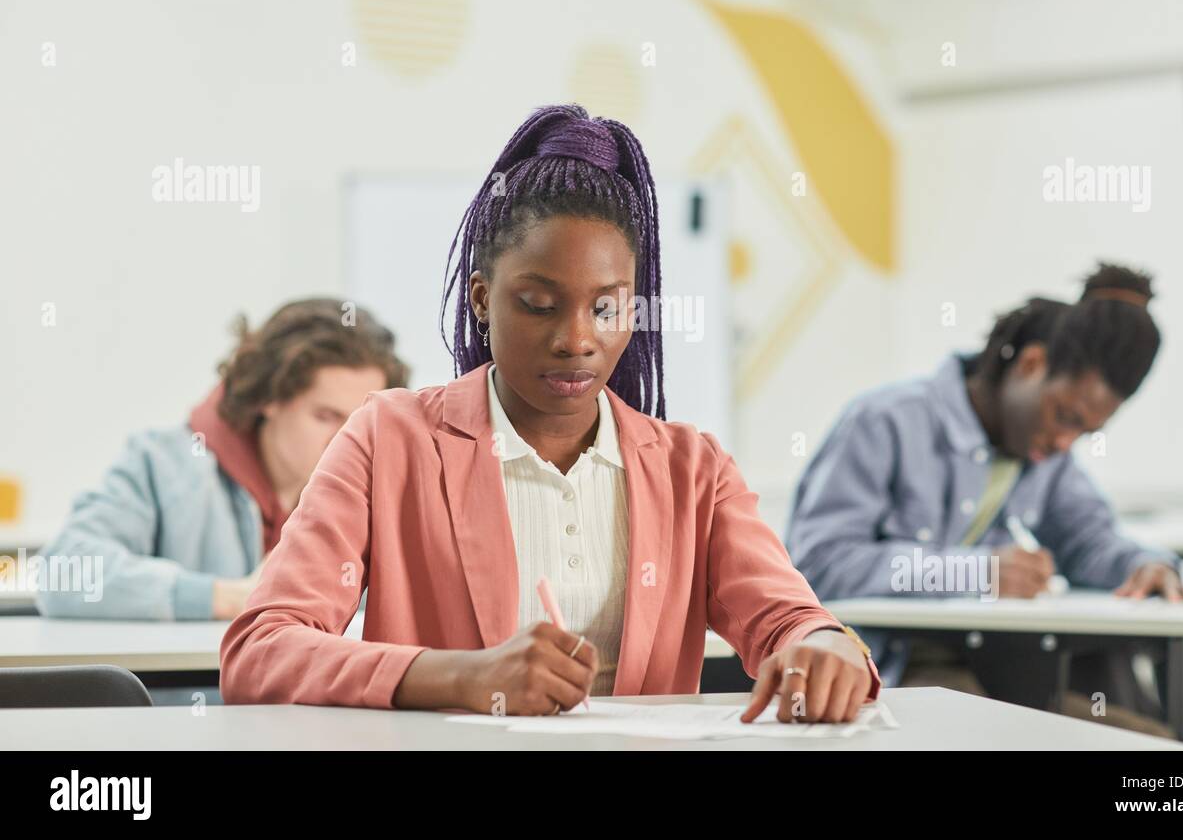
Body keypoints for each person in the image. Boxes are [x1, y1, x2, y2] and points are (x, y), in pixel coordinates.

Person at [220, 104, 880, 722]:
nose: (575, 339)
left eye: (607, 307)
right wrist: (461, 678)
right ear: (482, 298)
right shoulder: (389, 438)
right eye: (538, 303)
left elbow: (788, 619)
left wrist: (825, 645)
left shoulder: (692, 470)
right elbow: (261, 650)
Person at [786, 265, 1183, 729]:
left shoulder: (1042, 453)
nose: (1067, 441)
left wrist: (1143, 566)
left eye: (1085, 431)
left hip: (999, 671)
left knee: (1154, 741)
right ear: (1030, 364)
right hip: (892, 676)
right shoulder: (886, 421)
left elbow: (1088, 539)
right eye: (1065, 416)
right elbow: (819, 563)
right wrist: (975, 571)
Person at [36, 298, 408, 620]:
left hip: (313, 701)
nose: (345, 438)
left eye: (358, 421)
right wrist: (224, 597)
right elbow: (63, 572)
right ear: (270, 399)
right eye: (325, 416)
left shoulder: (377, 484)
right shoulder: (163, 463)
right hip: (202, 702)